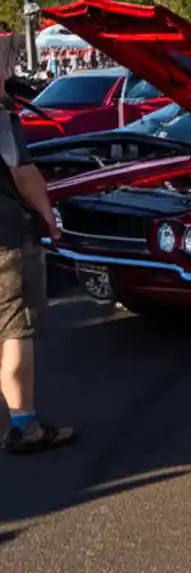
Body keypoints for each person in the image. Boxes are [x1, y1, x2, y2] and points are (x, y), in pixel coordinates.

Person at [0, 77, 73, 453]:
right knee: (16, 326)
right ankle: (24, 424)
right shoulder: (1, 118)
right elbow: (23, 174)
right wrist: (48, 216)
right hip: (6, 235)